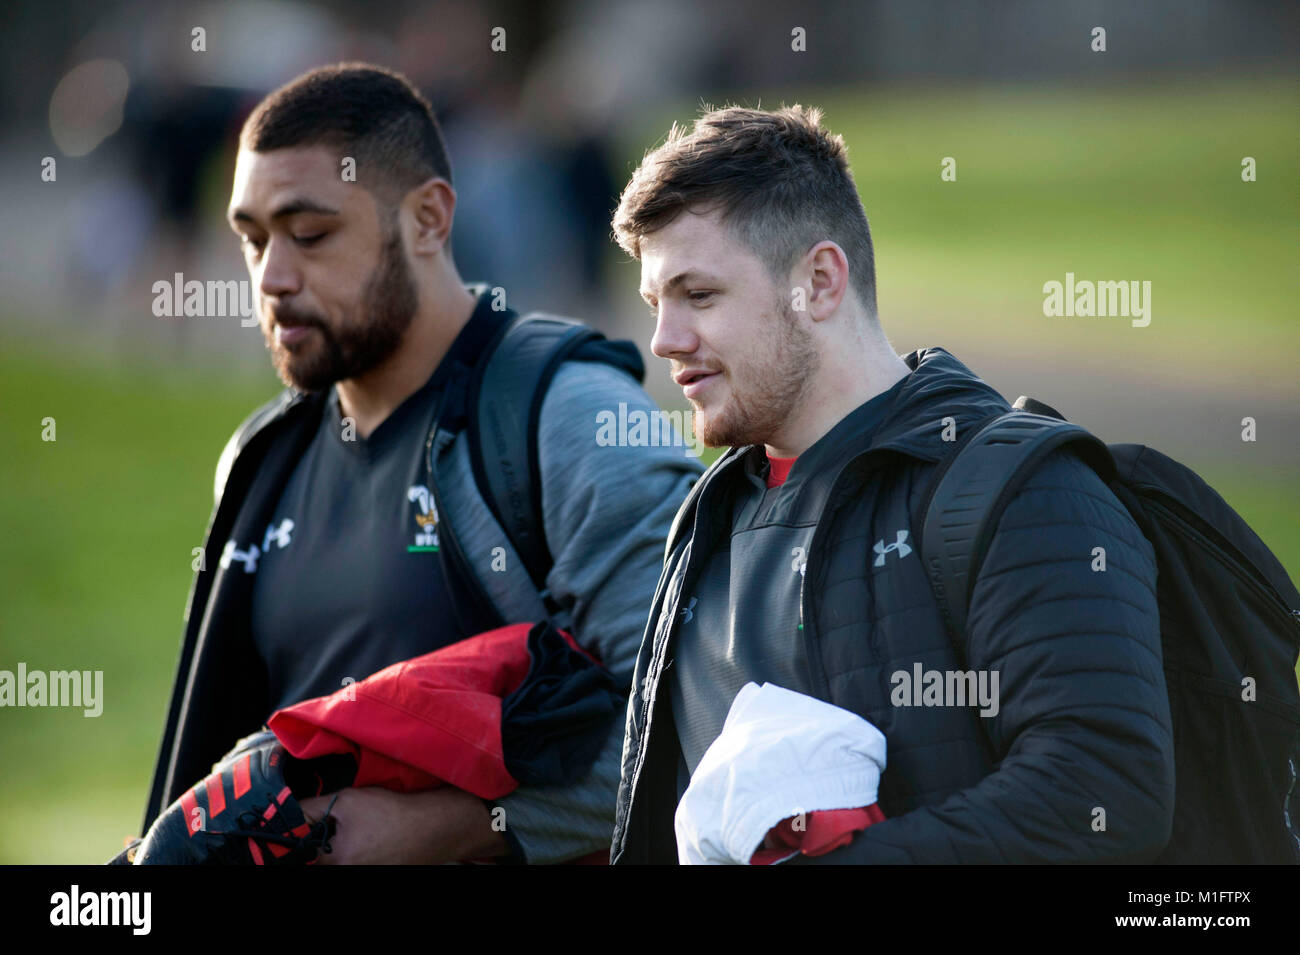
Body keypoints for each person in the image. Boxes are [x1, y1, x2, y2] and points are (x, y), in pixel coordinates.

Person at [139, 63, 703, 864]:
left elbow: (694, 728)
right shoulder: (258, 458)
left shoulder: (564, 419)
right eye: (252, 238)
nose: (272, 277)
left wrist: (443, 829)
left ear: (429, 218)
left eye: (309, 234)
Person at [608, 104, 1175, 864]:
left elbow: (1107, 789)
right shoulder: (707, 521)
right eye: (656, 304)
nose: (665, 340)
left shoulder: (1022, 491)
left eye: (699, 295)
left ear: (819, 280)